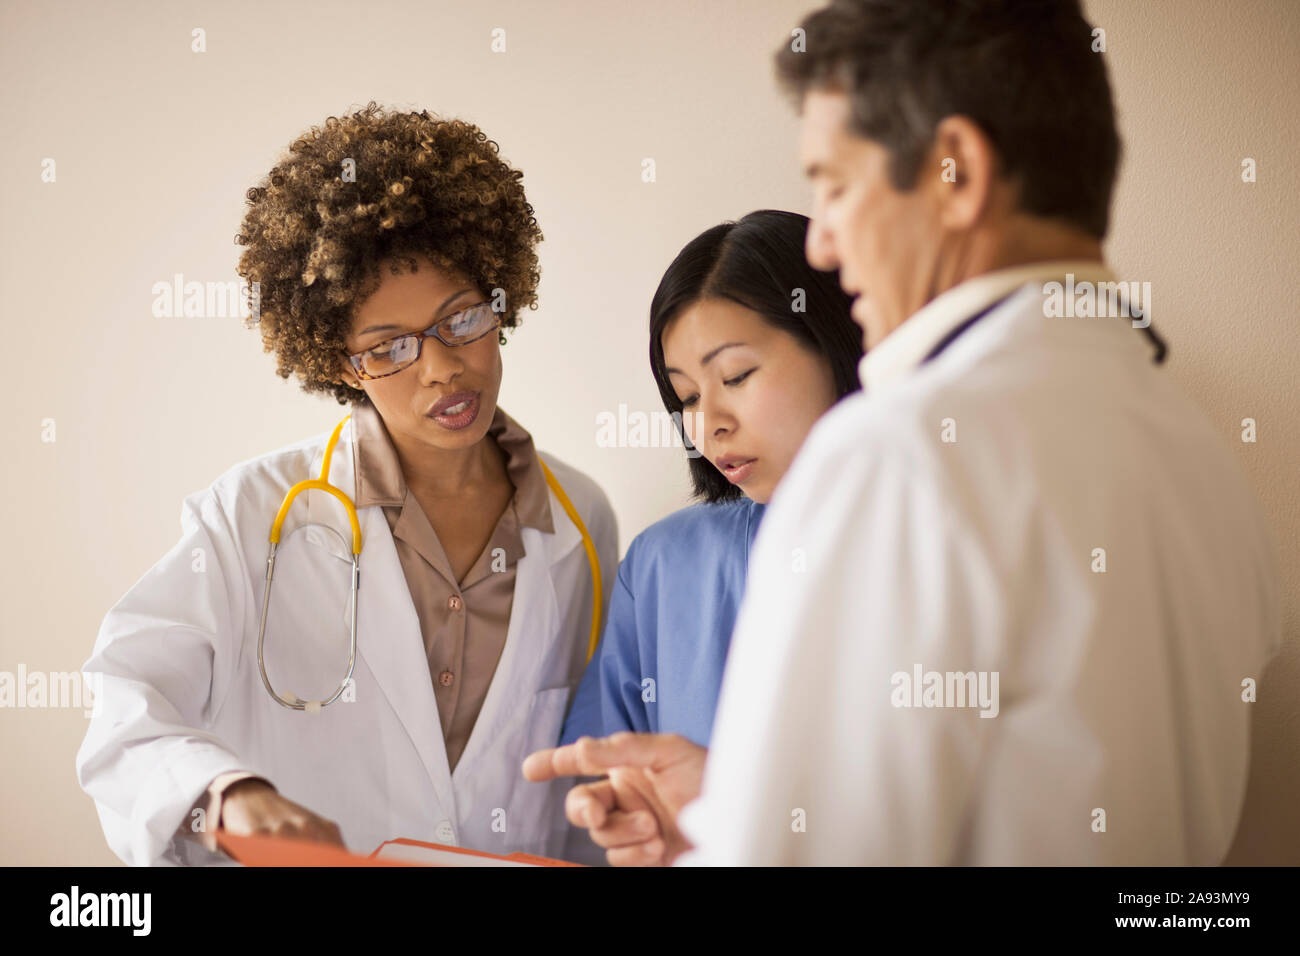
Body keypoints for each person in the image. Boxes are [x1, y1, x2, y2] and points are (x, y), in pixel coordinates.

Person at [525, 0, 1282, 866]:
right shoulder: (1197, 451)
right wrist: (736, 810)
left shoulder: (903, 453)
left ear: (957, 170)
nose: (826, 246)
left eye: (836, 187)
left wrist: (735, 840)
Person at [76, 102, 617, 865]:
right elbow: (123, 705)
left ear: (500, 299)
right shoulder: (251, 515)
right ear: (340, 364)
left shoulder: (582, 522)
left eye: (460, 319)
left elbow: (585, 775)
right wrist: (228, 792)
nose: (440, 367)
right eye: (389, 347)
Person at [560, 210, 860, 750]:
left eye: (736, 376)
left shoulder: (947, 541)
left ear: (833, 341)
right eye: (687, 397)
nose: (709, 423)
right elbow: (601, 777)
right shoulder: (660, 567)